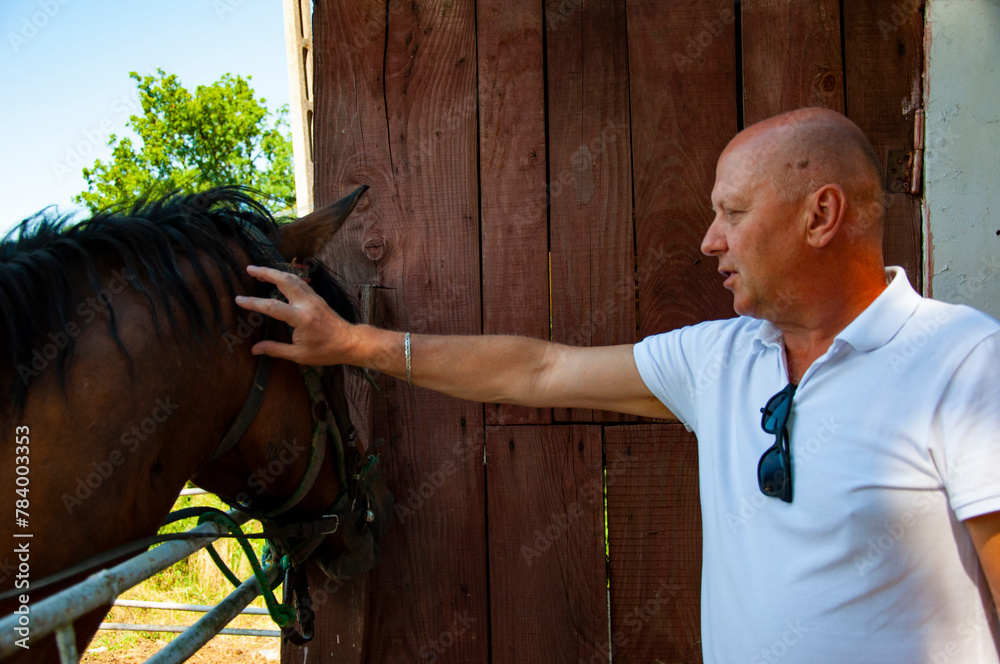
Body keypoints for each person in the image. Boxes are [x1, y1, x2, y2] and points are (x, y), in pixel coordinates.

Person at [236, 108, 1000, 663]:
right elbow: (538, 368)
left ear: (820, 215)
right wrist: (350, 342)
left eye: (732, 213)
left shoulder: (962, 362)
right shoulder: (720, 359)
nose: (710, 242)